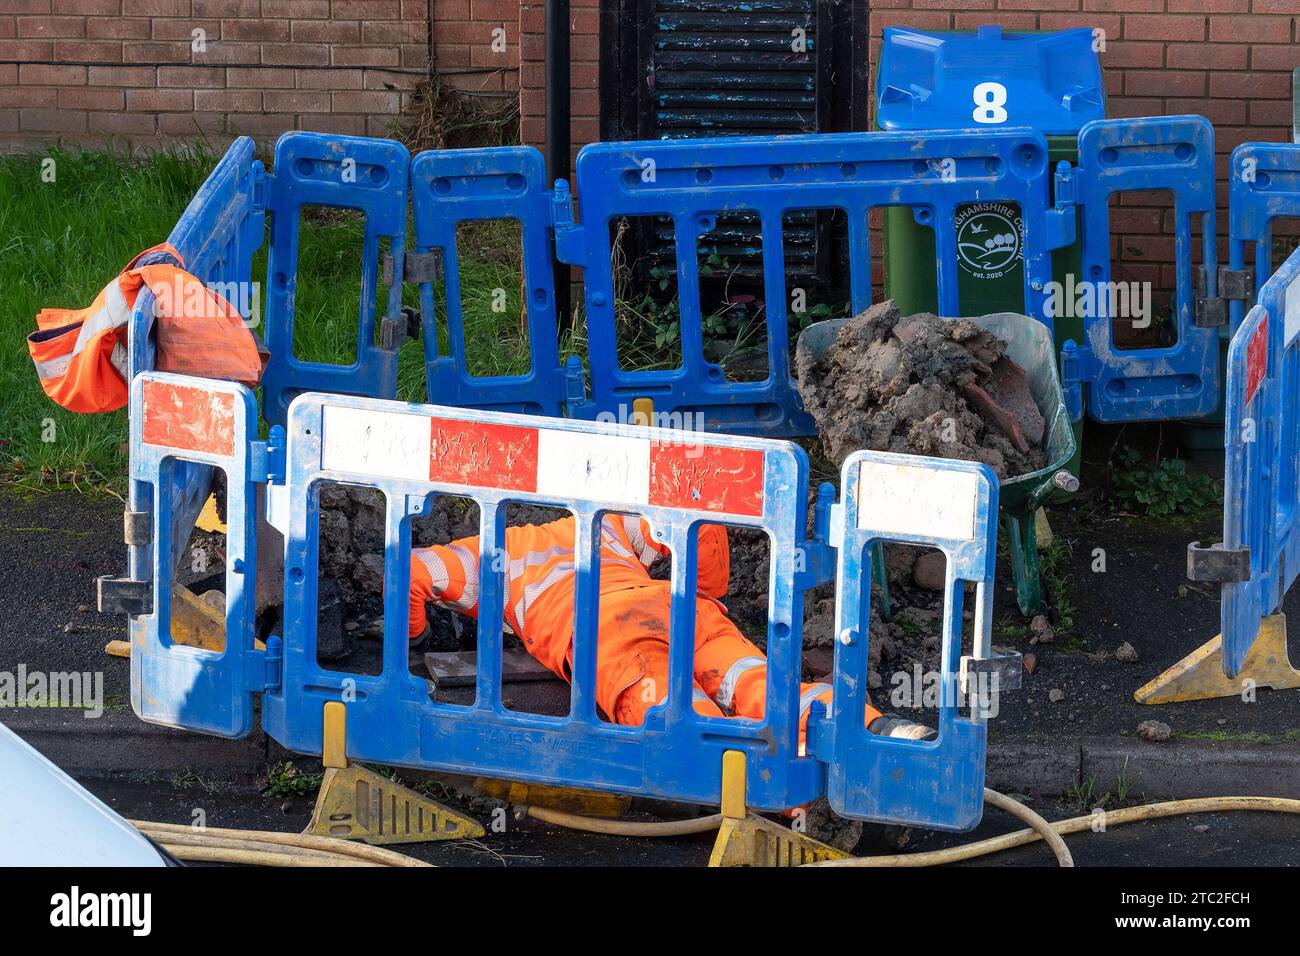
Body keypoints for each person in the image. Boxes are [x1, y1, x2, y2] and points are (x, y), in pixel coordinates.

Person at [408, 513, 934, 744]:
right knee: (758, 685)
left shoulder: (488, 555)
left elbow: (407, 574)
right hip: (677, 607)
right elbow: (699, 527)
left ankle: (778, 787)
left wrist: (413, 637)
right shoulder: (605, 523)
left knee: (680, 719)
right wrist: (706, 594)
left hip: (605, 633)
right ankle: (878, 730)